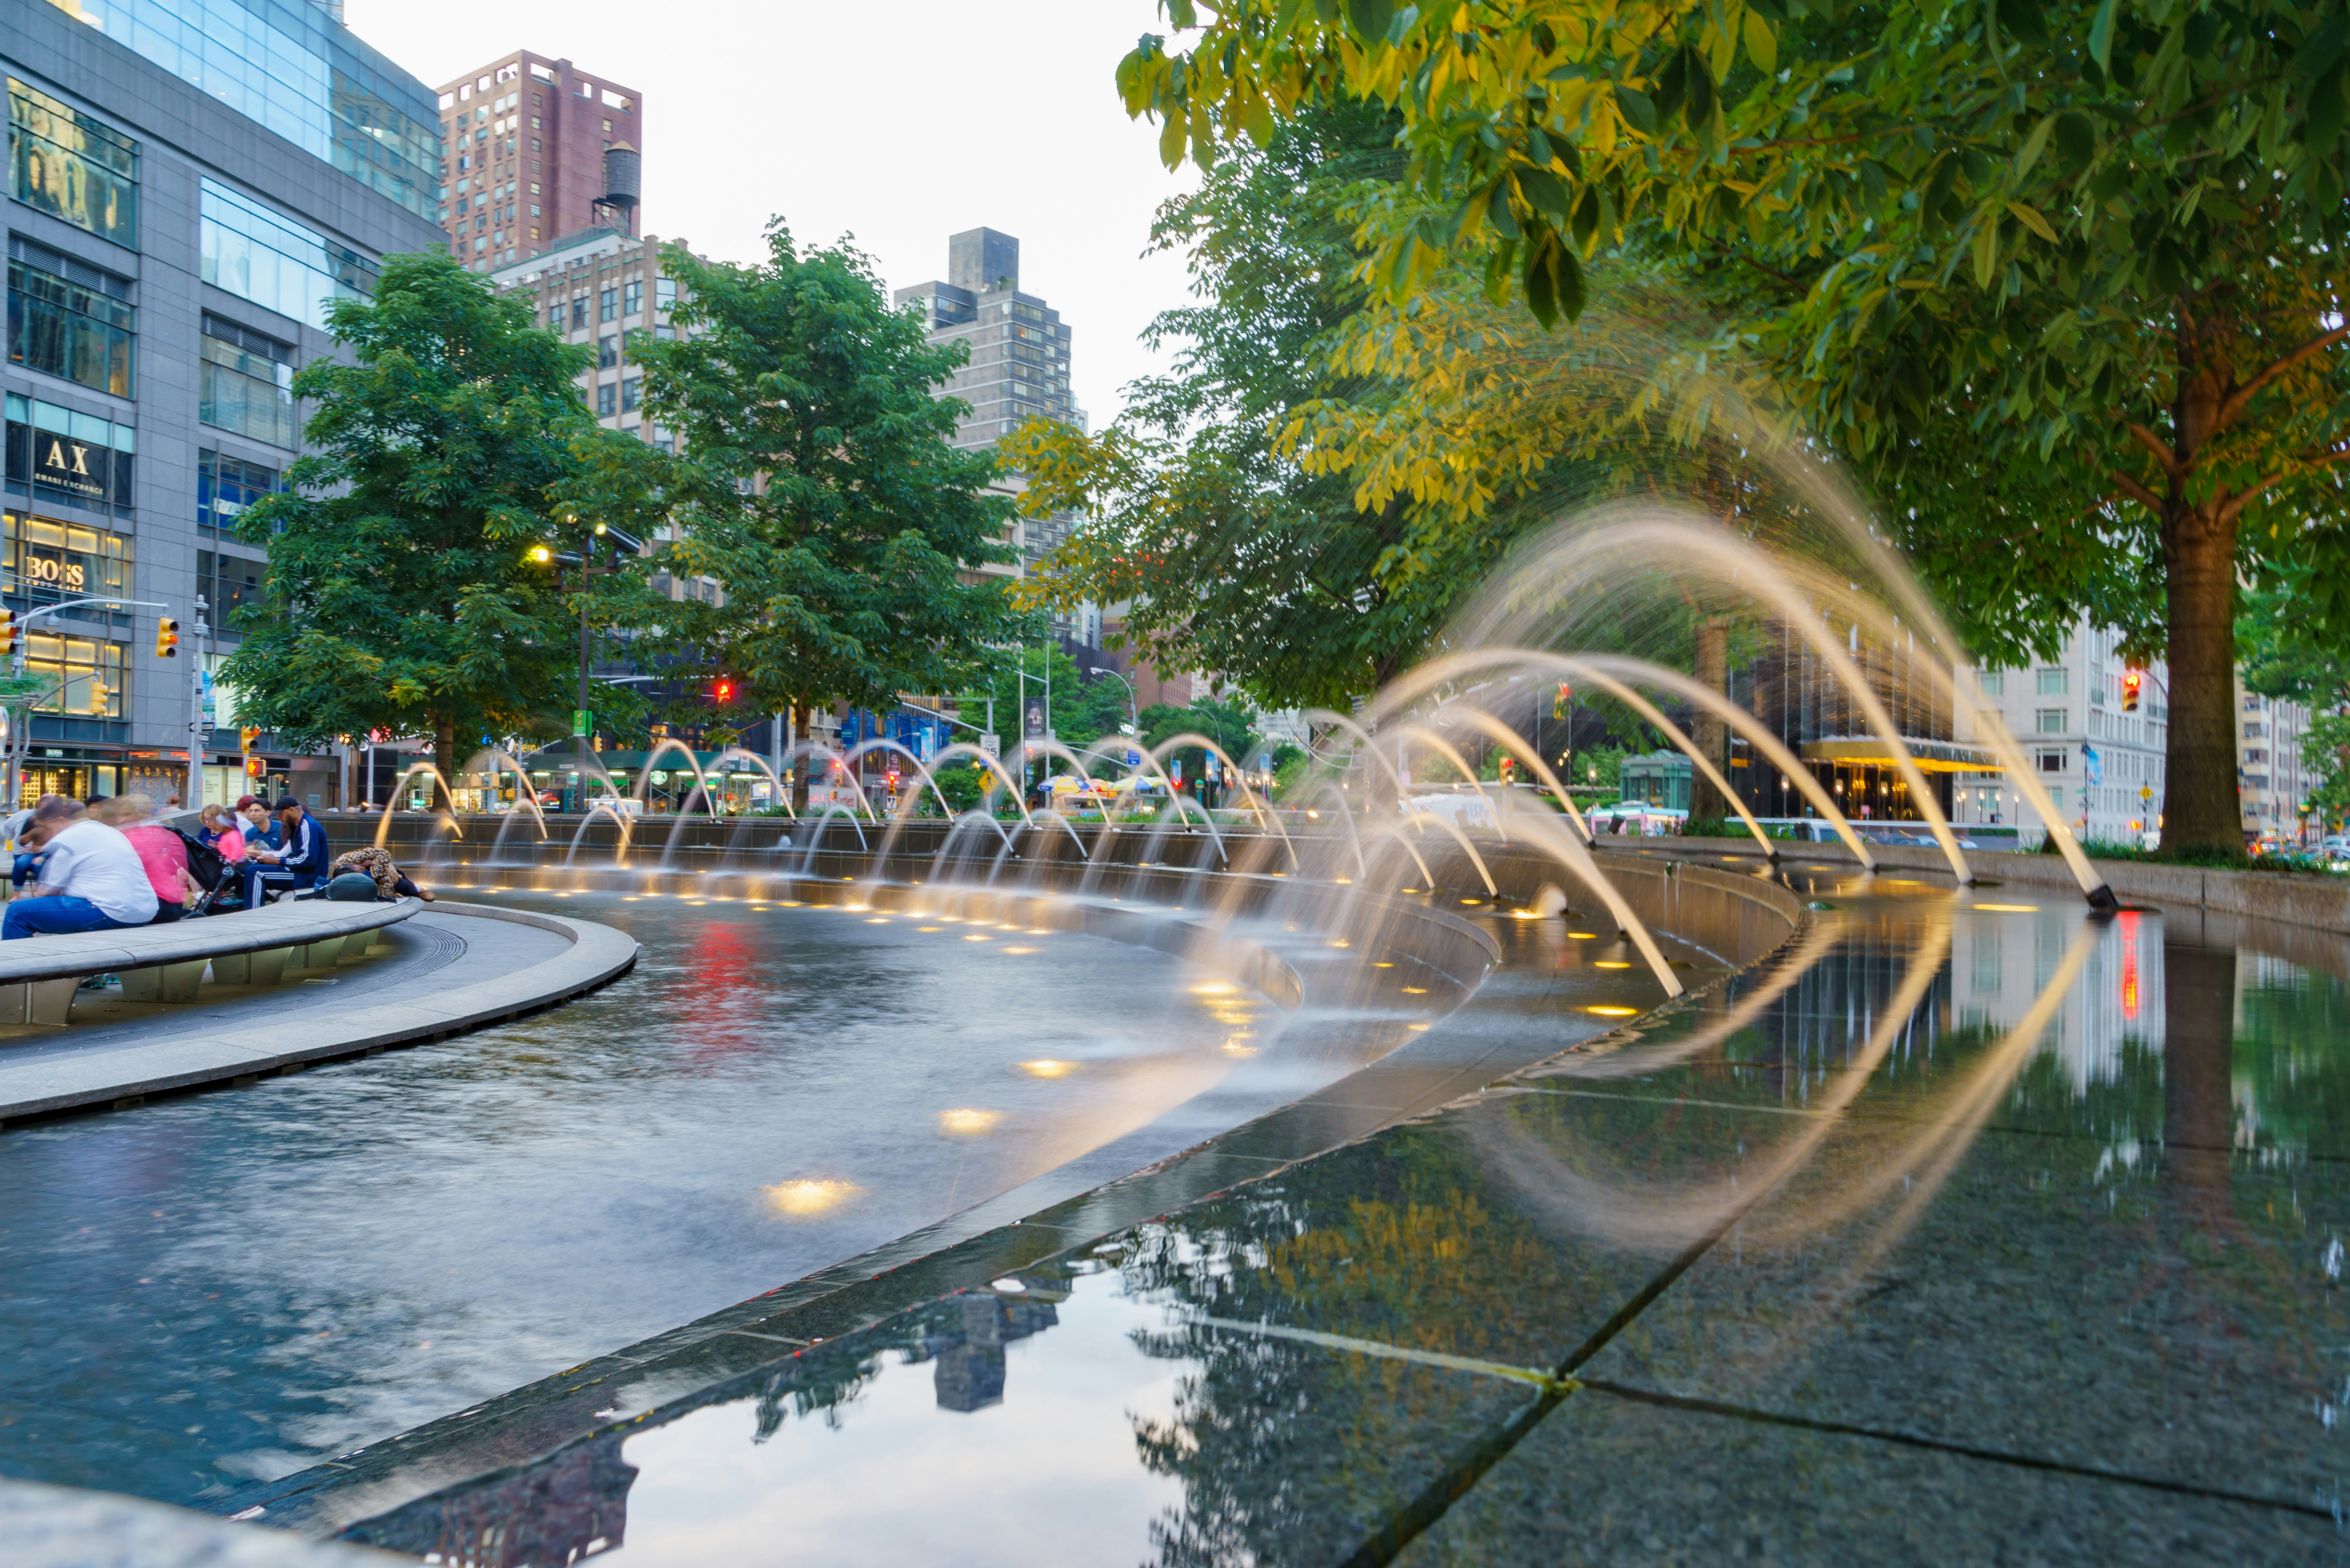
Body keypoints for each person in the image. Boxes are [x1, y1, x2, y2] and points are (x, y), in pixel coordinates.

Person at [1, 795, 158, 938]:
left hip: (111, 911)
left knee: (18, 912)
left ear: (61, 821)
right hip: (145, 910)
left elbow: (48, 890)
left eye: (47, 828)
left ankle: (15, 965)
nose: (46, 834)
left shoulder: (66, 838)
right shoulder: (108, 831)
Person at [102, 795, 203, 924]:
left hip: (151, 905)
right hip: (174, 904)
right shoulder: (166, 834)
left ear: (140, 814)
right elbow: (176, 868)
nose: (121, 819)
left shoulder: (128, 838)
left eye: (126, 814)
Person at [244, 796, 328, 907]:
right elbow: (290, 856)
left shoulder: (307, 827)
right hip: (302, 874)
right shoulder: (300, 826)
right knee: (253, 869)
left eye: (280, 814)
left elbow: (308, 860)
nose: (279, 818)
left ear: (292, 811)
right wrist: (271, 859)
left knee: (255, 873)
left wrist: (278, 862)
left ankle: (253, 913)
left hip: (307, 877)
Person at [326, 845, 434, 902]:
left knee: (400, 880)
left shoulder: (352, 858)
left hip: (383, 869)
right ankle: (414, 889)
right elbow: (385, 894)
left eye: (361, 869)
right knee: (401, 887)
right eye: (361, 873)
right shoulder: (343, 877)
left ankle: (418, 890)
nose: (364, 871)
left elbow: (383, 853)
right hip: (371, 883)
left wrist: (373, 873)